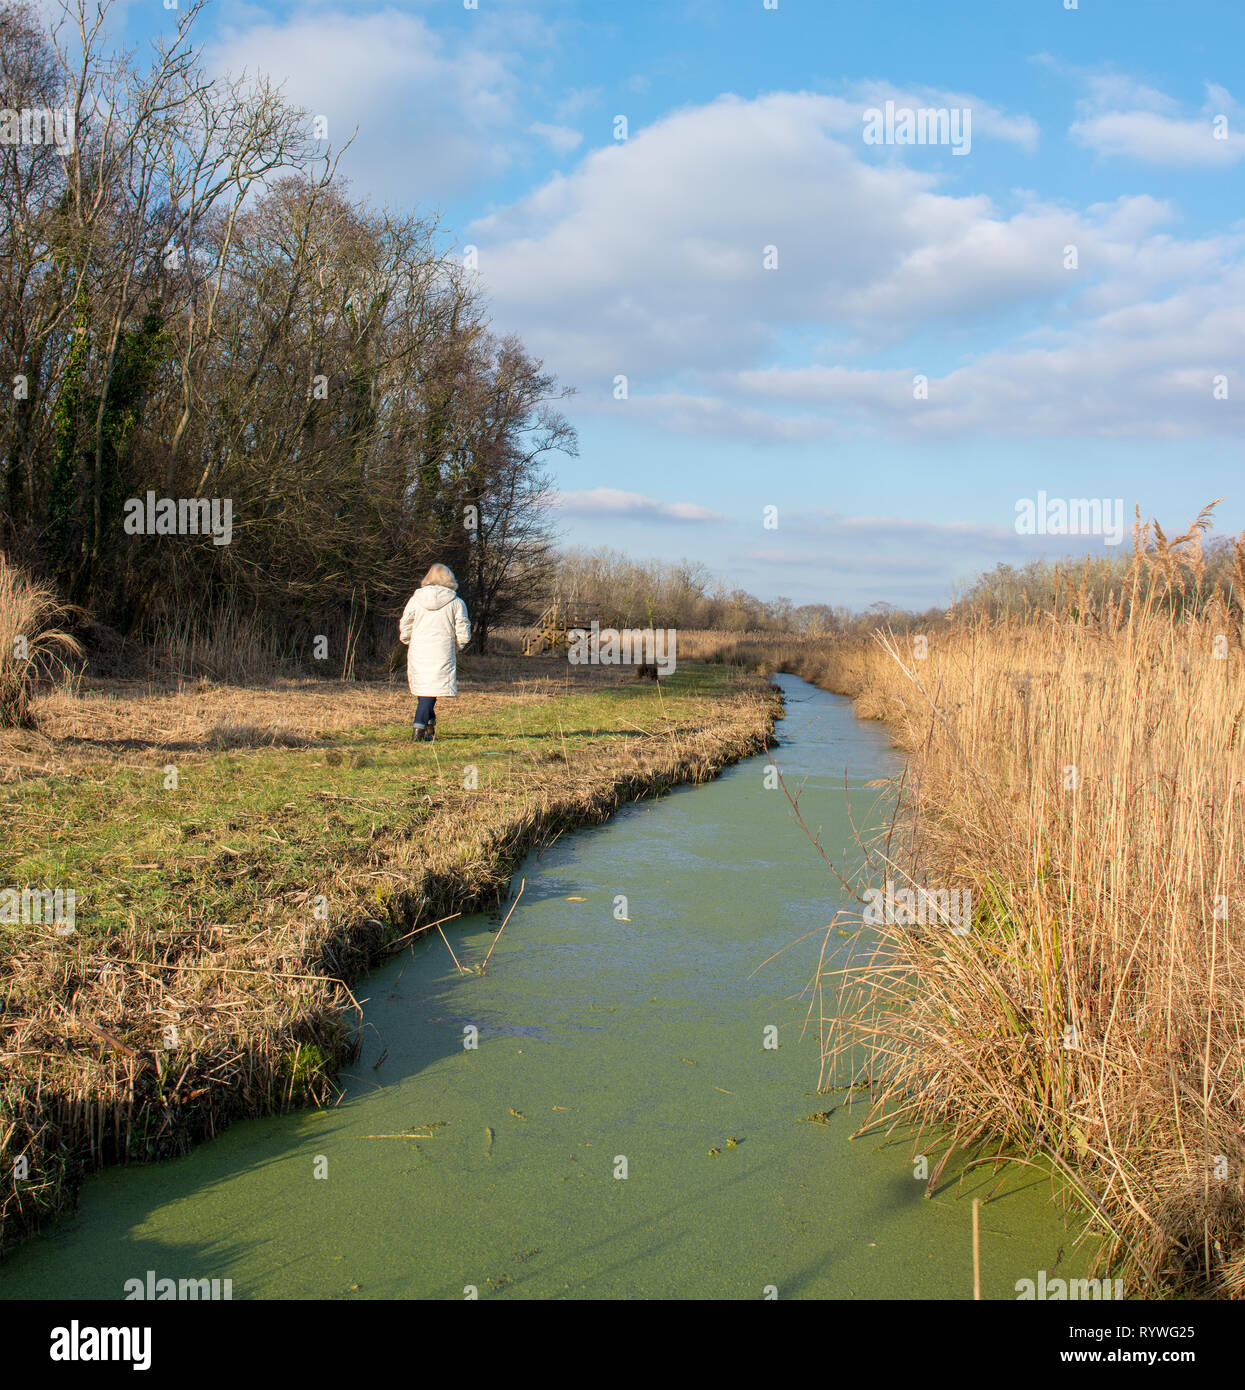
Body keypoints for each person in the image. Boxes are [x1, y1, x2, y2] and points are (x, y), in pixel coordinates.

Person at [398, 564, 471, 741]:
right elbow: (463, 629)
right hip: (442, 649)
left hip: (419, 648)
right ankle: (419, 727)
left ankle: (429, 723)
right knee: (430, 688)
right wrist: (457, 646)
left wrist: (408, 640)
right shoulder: (456, 602)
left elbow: (406, 623)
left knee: (425, 687)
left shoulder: (415, 599)